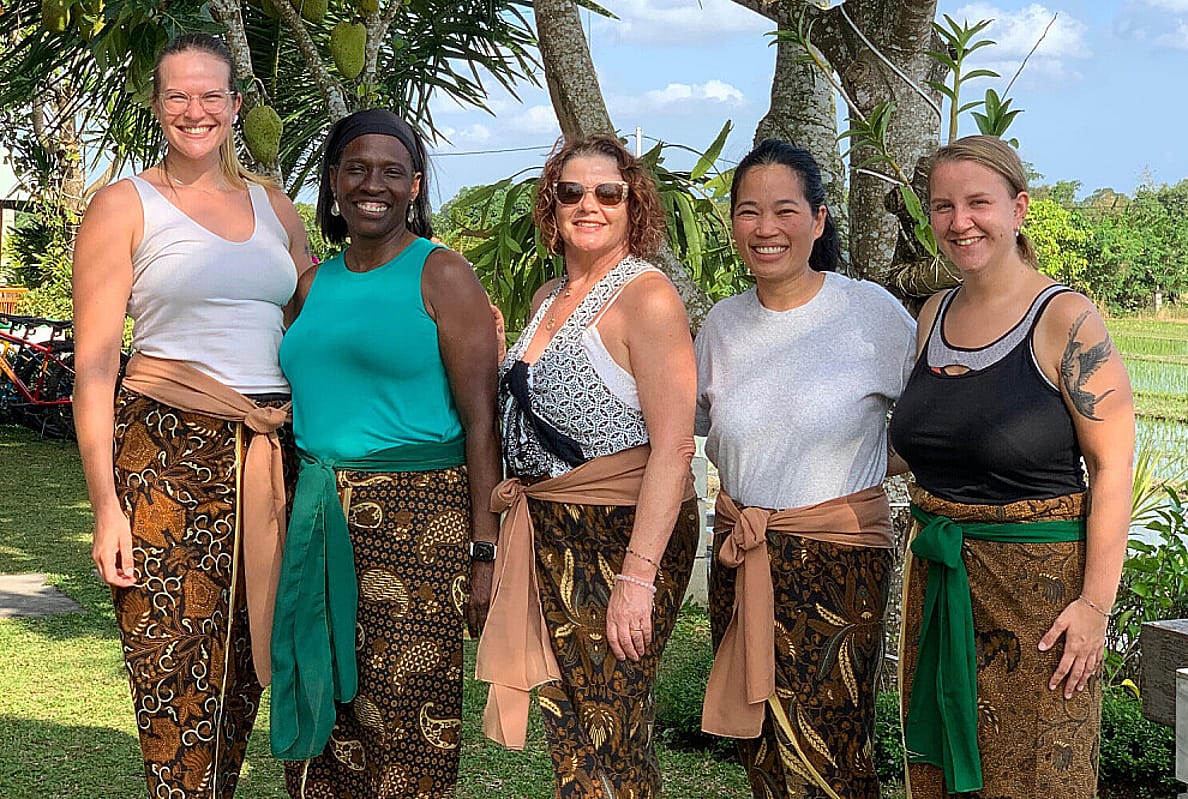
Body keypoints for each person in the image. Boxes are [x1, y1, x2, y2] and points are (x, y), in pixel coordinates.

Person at [72, 33, 311, 799]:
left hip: (275, 453)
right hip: (166, 454)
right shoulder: (123, 204)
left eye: (211, 95)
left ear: (236, 105)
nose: (195, 110)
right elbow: (96, 366)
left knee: (248, 673)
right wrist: (107, 506)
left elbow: (315, 324)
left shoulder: (275, 204)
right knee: (173, 675)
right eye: (177, 95)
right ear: (156, 106)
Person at [890, 135, 1134, 797]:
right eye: (942, 205)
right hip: (943, 586)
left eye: (978, 202)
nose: (959, 221)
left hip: (1043, 608)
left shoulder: (1066, 319)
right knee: (940, 766)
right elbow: (924, 442)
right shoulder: (933, 314)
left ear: (1019, 207)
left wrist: (1095, 604)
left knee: (1034, 778)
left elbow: (1113, 468)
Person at [271, 108, 501, 798]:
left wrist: (485, 548)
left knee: (406, 719)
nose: (374, 183)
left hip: (418, 524)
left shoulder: (443, 275)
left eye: (392, 171)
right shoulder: (312, 287)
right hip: (315, 513)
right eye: (357, 167)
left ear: (415, 184)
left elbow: (482, 422)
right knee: (322, 695)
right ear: (334, 181)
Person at [475, 134, 700, 798]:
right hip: (552, 533)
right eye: (571, 191)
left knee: (614, 731)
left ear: (635, 205)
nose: (589, 205)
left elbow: (676, 446)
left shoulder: (646, 297)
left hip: (615, 536)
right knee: (570, 732)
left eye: (609, 192)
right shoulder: (551, 294)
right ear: (551, 203)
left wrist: (638, 577)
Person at [694, 139, 917, 798]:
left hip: (839, 559)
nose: (766, 229)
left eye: (785, 210)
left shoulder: (872, 315)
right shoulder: (722, 327)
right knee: (762, 747)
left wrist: (869, 461)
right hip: (743, 555)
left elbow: (932, 426)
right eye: (749, 212)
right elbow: (697, 433)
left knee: (832, 747)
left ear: (818, 220)